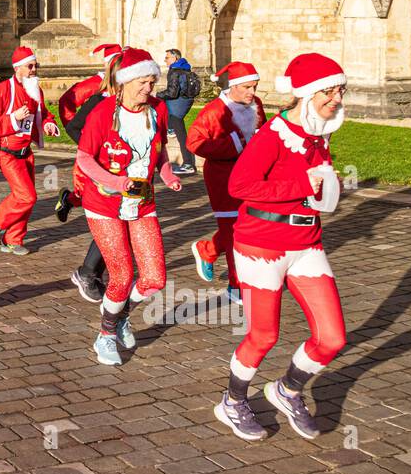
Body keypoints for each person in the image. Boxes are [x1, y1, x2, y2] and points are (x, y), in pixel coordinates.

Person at [212, 53, 348, 443]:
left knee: (333, 337)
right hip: (261, 244)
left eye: (339, 91)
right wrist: (301, 188)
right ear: (306, 94)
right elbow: (240, 186)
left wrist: (325, 191)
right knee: (263, 335)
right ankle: (233, 401)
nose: (335, 99)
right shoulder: (272, 134)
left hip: (307, 243)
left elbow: (315, 183)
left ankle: (288, 389)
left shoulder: (319, 133)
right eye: (328, 92)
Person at [72, 48, 181, 364]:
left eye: (152, 82)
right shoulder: (103, 113)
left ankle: (119, 317)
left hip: (142, 202)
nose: (150, 89)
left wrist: (167, 173)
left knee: (154, 278)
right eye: (144, 83)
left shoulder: (157, 109)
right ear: (125, 82)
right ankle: (105, 335)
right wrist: (117, 182)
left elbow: (157, 150)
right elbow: (84, 159)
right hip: (104, 203)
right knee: (121, 275)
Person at [186, 61, 268, 303]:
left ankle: (207, 251)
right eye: (247, 88)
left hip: (252, 176)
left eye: (255, 87)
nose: (252, 93)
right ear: (233, 87)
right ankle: (236, 285)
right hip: (223, 178)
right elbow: (194, 143)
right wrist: (234, 145)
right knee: (233, 231)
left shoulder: (256, 105)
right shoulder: (214, 111)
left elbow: (261, 133)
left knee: (249, 225)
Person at [54, 44, 125, 302]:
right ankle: (89, 272)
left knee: (118, 222)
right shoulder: (97, 97)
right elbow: (72, 120)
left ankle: (94, 271)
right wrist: (90, 149)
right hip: (95, 169)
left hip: (124, 175)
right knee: (110, 221)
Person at [0, 45, 60, 255]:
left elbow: (44, 113)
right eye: (30, 66)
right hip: (7, 152)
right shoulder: (3, 90)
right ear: (18, 69)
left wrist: (48, 124)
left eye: (35, 65)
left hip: (26, 151)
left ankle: (14, 238)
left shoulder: (35, 88)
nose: (34, 69)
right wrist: (14, 118)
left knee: (25, 197)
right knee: (27, 196)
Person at [156, 49, 199, 176]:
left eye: (167, 57)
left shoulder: (174, 71)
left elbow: (172, 93)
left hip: (177, 105)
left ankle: (188, 164)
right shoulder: (185, 68)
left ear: (175, 58)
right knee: (178, 129)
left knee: (182, 136)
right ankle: (170, 129)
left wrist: (158, 94)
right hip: (186, 101)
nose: (165, 60)